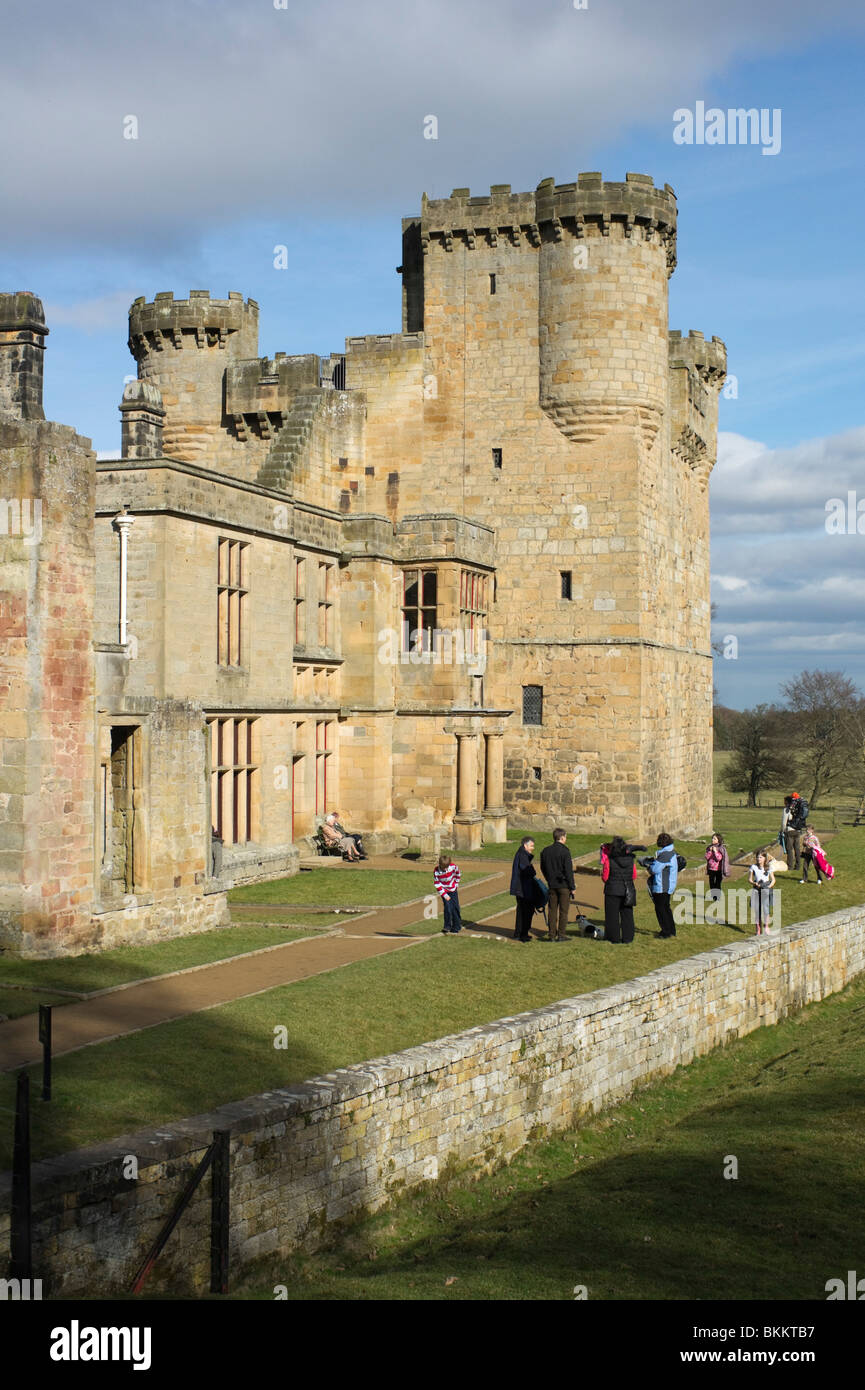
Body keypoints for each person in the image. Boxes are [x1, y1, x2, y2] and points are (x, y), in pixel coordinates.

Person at [639, 833, 679, 939]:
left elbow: (654, 869)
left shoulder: (665, 854)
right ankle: (671, 931)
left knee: (661, 909)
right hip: (668, 884)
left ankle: (666, 932)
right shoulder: (671, 852)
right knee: (666, 908)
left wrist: (646, 864)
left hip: (662, 886)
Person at [540, 828, 575, 941]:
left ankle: (551, 935)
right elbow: (568, 871)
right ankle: (561, 934)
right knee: (563, 911)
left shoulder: (545, 851)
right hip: (563, 885)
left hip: (552, 885)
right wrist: (572, 887)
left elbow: (543, 868)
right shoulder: (565, 851)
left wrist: (548, 879)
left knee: (552, 910)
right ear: (562, 837)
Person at [601, 836, 638, 944]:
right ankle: (628, 937)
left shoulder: (609, 860)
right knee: (627, 915)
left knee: (612, 916)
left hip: (612, 890)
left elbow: (605, 877)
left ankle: (614, 938)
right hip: (627, 890)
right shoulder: (631, 860)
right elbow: (634, 875)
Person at [509, 836, 537, 942]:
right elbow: (528, 871)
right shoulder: (522, 855)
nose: (532, 848)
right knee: (524, 911)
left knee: (523, 911)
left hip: (522, 887)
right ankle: (521, 934)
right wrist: (533, 871)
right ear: (525, 845)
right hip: (522, 888)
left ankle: (521, 933)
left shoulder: (523, 854)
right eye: (531, 846)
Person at [433, 853, 463, 932]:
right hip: (445, 892)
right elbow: (437, 884)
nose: (445, 869)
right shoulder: (436, 871)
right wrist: (445, 895)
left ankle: (456, 926)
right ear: (440, 865)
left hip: (453, 890)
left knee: (455, 908)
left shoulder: (453, 867)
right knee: (448, 908)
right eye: (444, 868)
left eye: (447, 867)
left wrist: (456, 884)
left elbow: (458, 874)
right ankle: (447, 926)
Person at [749, 850, 775, 934]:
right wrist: (754, 883)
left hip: (765, 888)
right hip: (756, 889)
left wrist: (768, 887)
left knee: (766, 909)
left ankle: (766, 927)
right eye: (757, 857)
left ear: (764, 858)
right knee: (757, 910)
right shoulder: (753, 867)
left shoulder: (768, 867)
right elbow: (749, 879)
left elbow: (773, 880)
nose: (758, 859)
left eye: (760, 857)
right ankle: (758, 928)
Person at [785, 792, 808, 874]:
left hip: (790, 829)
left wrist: (783, 830)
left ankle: (790, 866)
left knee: (789, 849)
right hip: (798, 830)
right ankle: (798, 866)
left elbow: (784, 820)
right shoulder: (801, 804)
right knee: (797, 848)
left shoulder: (790, 808)